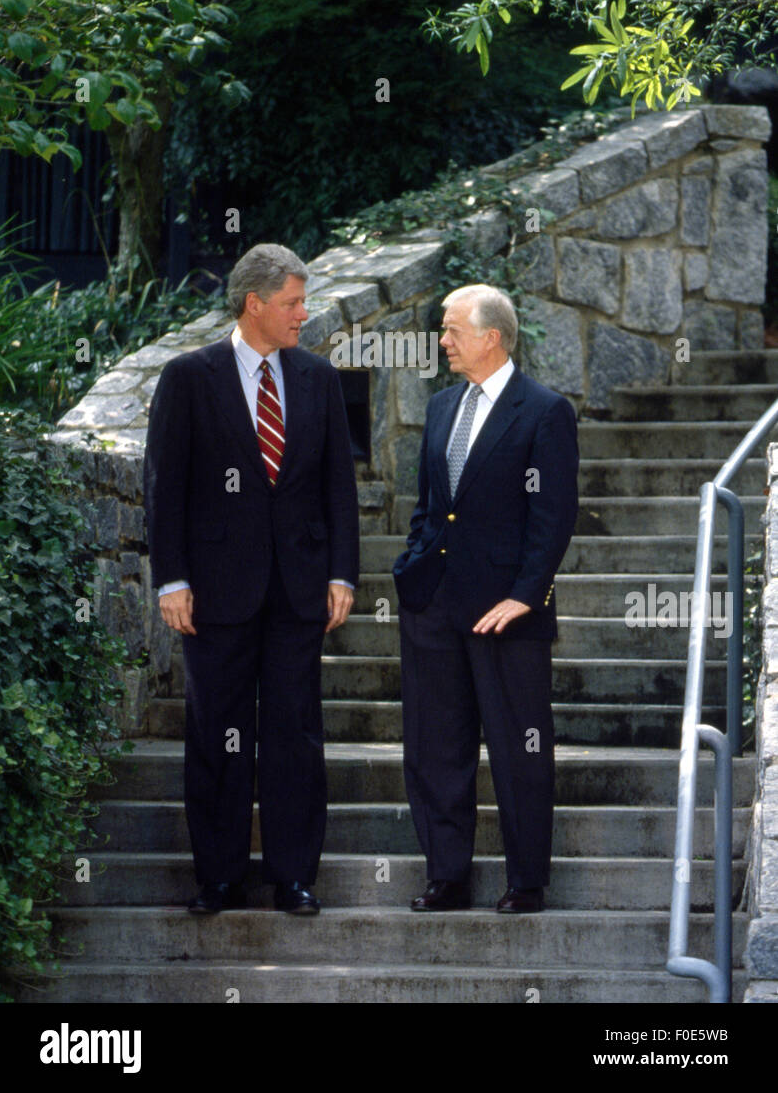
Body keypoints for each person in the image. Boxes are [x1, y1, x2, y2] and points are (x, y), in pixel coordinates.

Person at [143, 243, 359, 916]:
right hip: (214, 594)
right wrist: (171, 578)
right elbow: (164, 488)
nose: (304, 313)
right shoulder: (187, 377)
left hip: (298, 593)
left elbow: (338, 489)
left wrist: (343, 575)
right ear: (254, 303)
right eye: (293, 302)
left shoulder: (320, 379)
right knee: (217, 734)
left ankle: (295, 877)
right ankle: (220, 877)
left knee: (295, 733)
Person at [393, 283, 578, 913]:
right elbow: (428, 506)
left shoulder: (545, 411)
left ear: (491, 337)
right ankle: (447, 876)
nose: (443, 341)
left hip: (506, 613)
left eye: (452, 330)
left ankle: (526, 881)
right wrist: (412, 569)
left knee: (518, 746)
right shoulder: (443, 406)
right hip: (433, 607)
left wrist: (527, 595)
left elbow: (552, 516)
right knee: (434, 746)